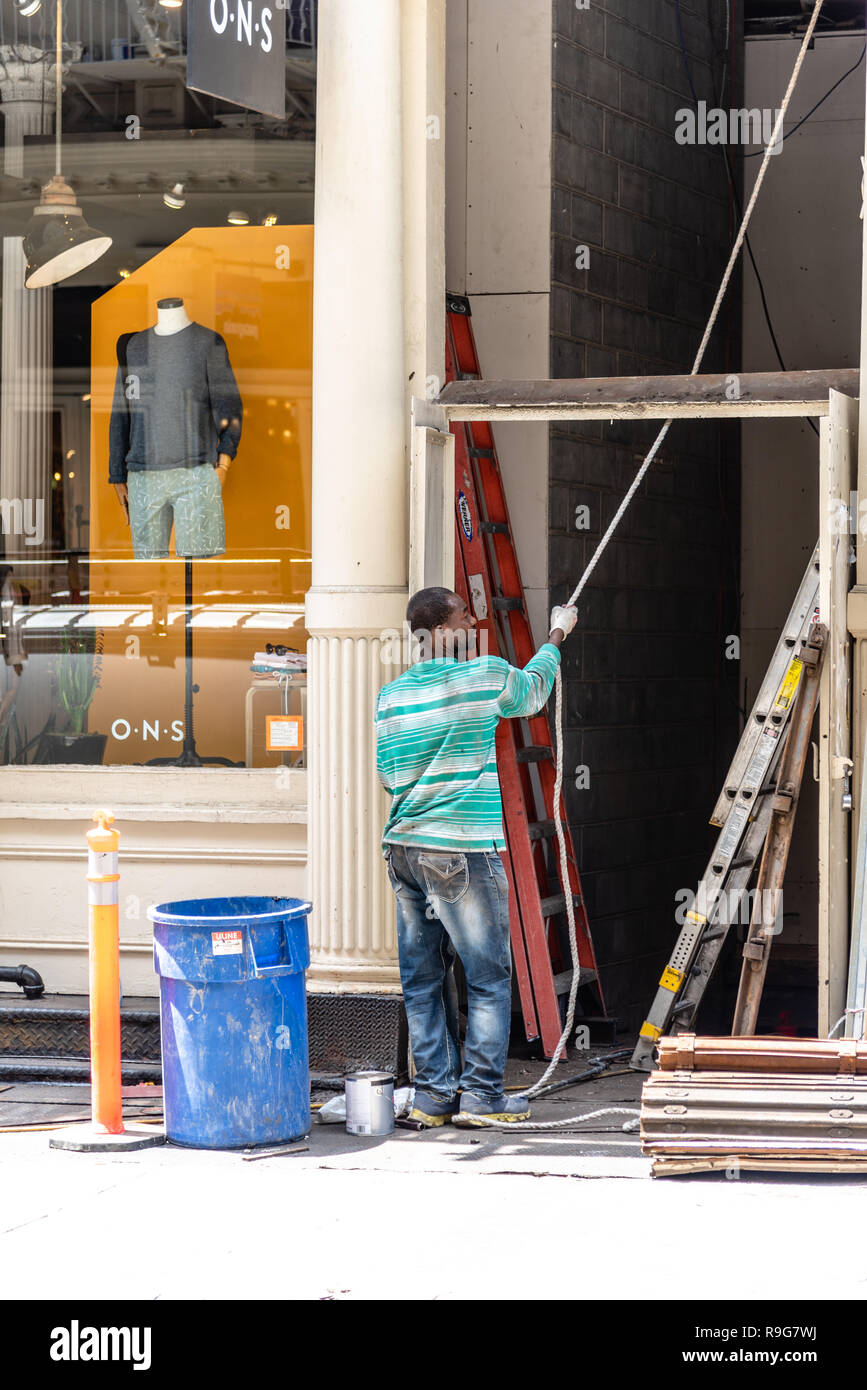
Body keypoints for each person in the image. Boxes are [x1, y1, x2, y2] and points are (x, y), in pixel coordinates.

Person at [375, 586, 578, 1128]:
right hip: (461, 848)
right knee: (487, 975)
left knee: (422, 980)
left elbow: (389, 775)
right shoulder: (484, 675)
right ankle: (483, 1096)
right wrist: (559, 633)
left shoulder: (390, 696)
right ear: (442, 631)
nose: (475, 622)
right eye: (465, 616)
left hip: (404, 848)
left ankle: (433, 1097)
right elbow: (532, 693)